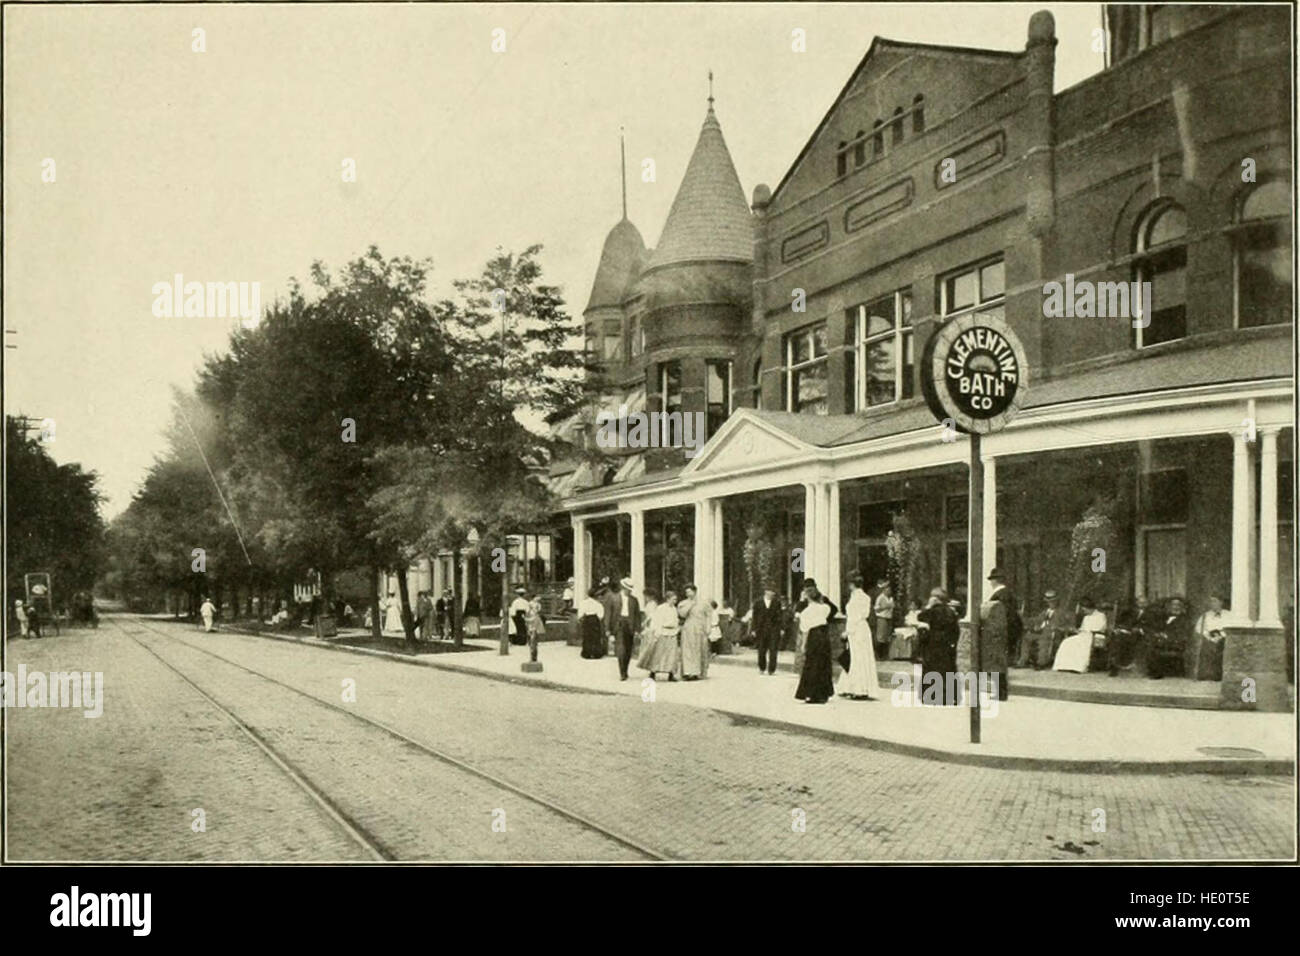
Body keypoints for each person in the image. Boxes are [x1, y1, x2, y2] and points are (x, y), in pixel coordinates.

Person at [836, 572, 878, 700]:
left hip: (856, 629)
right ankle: (854, 686)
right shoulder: (865, 597)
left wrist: (847, 631)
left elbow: (854, 617)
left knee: (856, 658)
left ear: (852, 584)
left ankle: (858, 689)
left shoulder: (856, 598)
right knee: (860, 657)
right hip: (863, 628)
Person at [794, 579, 837, 704]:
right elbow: (832, 610)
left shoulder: (806, 612)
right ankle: (823, 693)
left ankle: (812, 694)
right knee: (824, 664)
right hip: (824, 635)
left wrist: (803, 645)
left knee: (812, 664)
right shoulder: (825, 607)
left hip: (813, 637)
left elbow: (805, 629)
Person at [917, 587, 961, 704]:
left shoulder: (932, 611)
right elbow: (956, 630)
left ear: (935, 599)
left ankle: (932, 695)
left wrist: (928, 606)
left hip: (934, 644)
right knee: (948, 669)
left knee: (932, 669)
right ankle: (951, 696)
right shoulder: (951, 612)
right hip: (947, 644)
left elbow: (920, 617)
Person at [1052, 595, 1108, 673]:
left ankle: (1078, 667)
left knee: (1081, 644)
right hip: (1083, 635)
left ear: (1090, 608)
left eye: (1084, 609)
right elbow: (1082, 628)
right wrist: (1077, 631)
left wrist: (1086, 632)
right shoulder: (1086, 617)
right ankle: (1065, 665)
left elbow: (1100, 629)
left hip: (1094, 637)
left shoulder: (1100, 616)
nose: (1084, 611)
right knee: (1067, 642)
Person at [638, 588, 681, 681]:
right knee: (658, 653)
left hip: (672, 633)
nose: (675, 601)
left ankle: (671, 673)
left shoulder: (674, 609)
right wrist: (657, 633)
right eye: (673, 599)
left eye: (675, 599)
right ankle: (653, 672)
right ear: (668, 599)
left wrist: (676, 628)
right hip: (662, 632)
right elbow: (657, 621)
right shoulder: (661, 608)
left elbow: (676, 620)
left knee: (672, 655)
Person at [1146, 597, 1191, 679]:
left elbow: (1183, 634)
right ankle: (1153, 672)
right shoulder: (1165, 618)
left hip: (1176, 643)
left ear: (1182, 607)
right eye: (1173, 604)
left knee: (1155, 646)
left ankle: (1156, 673)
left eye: (1178, 605)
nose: (1175, 607)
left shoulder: (1184, 620)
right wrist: (1158, 634)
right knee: (1150, 643)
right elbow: (1158, 628)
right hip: (1163, 641)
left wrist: (1166, 636)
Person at [1019, 589, 1061, 669]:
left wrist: (1047, 627)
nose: (1051, 603)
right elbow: (1036, 620)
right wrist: (1024, 618)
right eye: (1049, 602)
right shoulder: (1045, 612)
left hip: (1050, 633)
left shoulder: (1060, 612)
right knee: (1026, 637)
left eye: (1053, 601)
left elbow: (1058, 624)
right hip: (1040, 632)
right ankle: (1023, 660)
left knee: (1044, 640)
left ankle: (1041, 663)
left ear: (1057, 602)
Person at [677, 584, 711, 680]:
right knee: (688, 650)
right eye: (686, 592)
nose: (687, 594)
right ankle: (688, 672)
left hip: (700, 628)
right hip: (689, 628)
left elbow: (708, 615)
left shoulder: (704, 603)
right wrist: (690, 604)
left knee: (700, 649)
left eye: (689, 591)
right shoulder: (683, 603)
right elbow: (682, 615)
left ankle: (698, 672)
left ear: (695, 591)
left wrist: (708, 627)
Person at [1191, 594, 1228, 682]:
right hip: (1209, 638)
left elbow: (1231, 628)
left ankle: (1218, 675)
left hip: (1223, 637)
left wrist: (1221, 636)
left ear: (1221, 602)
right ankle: (1206, 674)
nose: (1212, 603)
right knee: (1207, 647)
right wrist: (1208, 636)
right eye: (1211, 601)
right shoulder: (1205, 615)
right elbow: (1199, 628)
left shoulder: (1228, 615)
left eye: (1214, 601)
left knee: (1220, 647)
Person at [749, 586, 785, 675]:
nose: (771, 594)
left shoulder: (777, 603)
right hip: (761, 629)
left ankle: (771, 669)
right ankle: (762, 667)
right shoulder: (758, 603)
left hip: (774, 629)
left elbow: (780, 616)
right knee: (761, 649)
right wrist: (753, 629)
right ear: (765, 592)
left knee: (773, 650)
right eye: (770, 592)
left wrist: (781, 628)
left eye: (773, 592)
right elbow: (755, 617)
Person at [612, 577, 642, 681]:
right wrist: (608, 630)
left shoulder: (634, 600)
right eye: (627, 589)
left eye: (630, 590)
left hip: (630, 625)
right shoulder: (614, 598)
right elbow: (608, 614)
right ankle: (622, 672)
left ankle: (625, 670)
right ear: (622, 587)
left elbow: (637, 615)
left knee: (628, 649)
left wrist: (638, 630)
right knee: (621, 649)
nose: (629, 591)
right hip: (619, 624)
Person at [578, 587, 606, 659]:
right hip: (595, 620)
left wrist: (581, 619)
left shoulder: (583, 603)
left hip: (587, 619)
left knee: (587, 636)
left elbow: (580, 614)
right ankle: (596, 653)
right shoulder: (598, 604)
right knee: (595, 637)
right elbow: (601, 615)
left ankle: (586, 653)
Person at [873, 580, 894, 660]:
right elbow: (876, 608)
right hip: (882, 618)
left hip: (889, 618)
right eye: (887, 590)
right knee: (881, 636)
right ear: (884, 590)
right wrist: (884, 607)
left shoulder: (891, 598)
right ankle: (879, 655)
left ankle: (886, 654)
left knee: (887, 636)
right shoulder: (880, 598)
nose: (889, 591)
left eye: (890, 590)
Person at [525, 594, 546, 662]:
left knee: (533, 639)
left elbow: (538, 611)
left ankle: (533, 657)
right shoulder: (530, 604)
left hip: (534, 623)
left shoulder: (538, 606)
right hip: (531, 621)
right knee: (531, 637)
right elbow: (528, 611)